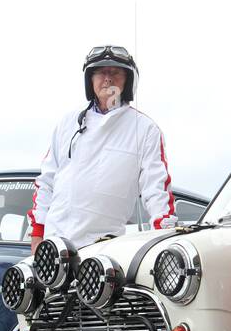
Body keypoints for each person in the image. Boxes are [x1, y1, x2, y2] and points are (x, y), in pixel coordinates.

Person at [28, 46, 177, 251]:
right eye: (100, 72)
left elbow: (156, 190)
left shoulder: (145, 129)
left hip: (104, 250)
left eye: (115, 72)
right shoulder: (67, 123)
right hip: (54, 247)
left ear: (128, 81)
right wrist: (37, 232)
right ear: (90, 80)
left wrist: (165, 240)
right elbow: (46, 181)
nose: (107, 79)